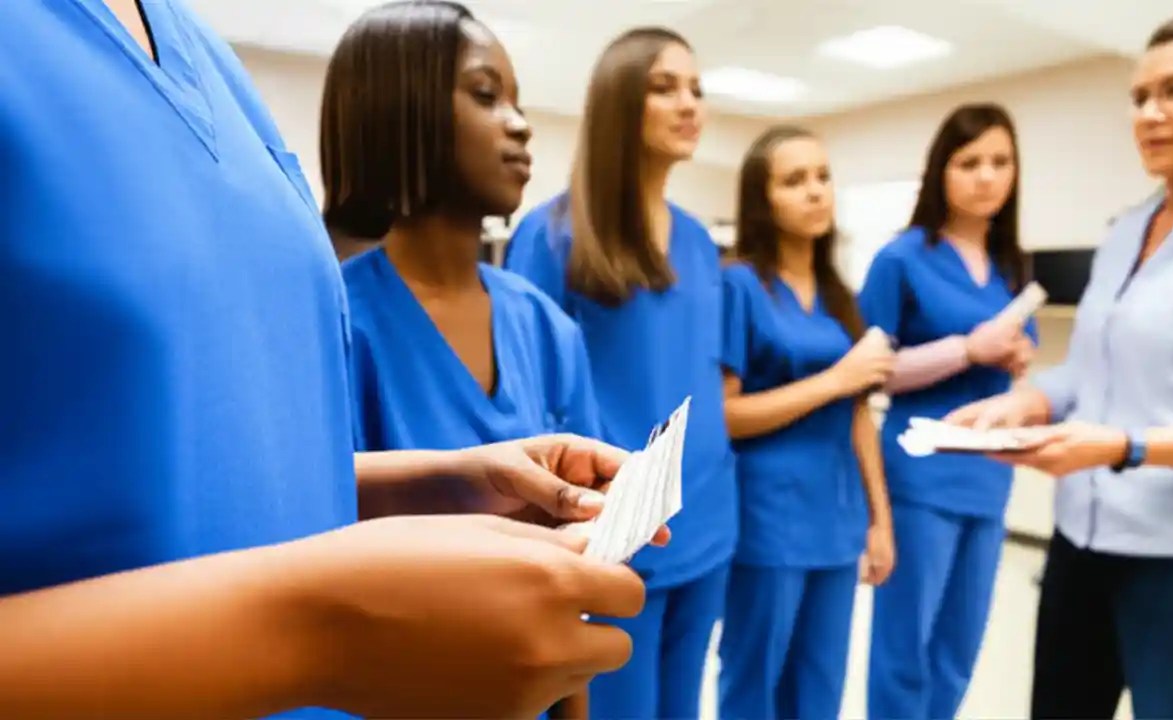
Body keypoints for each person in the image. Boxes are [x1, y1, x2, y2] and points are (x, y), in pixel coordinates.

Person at [0, 2, 657, 718]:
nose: (519, 123)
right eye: (484, 94)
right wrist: (320, 628)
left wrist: (433, 485)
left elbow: (185, 478)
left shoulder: (207, 62)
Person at [949, 10, 1173, 719]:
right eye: (1138, 98)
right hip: (1083, 542)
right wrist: (1031, 402)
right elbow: (1096, 373)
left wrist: (1125, 446)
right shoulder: (1131, 225)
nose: (1150, 114)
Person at [325, 3, 606, 714]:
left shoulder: (545, 326)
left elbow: (579, 565)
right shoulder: (335, 322)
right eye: (486, 96)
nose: (520, 122)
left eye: (516, 99)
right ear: (401, 109)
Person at [504, 26, 736, 720]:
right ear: (618, 102)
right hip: (614, 538)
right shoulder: (551, 236)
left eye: (695, 88)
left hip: (709, 525)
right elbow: (528, 402)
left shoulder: (698, 241)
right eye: (665, 87)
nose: (689, 103)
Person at [858, 103, 1037, 720]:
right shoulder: (901, 259)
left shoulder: (1013, 267)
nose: (986, 177)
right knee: (904, 647)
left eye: (1000, 162)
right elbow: (869, 370)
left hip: (989, 477)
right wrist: (966, 349)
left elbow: (1017, 367)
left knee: (960, 647)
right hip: (919, 476)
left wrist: (1017, 361)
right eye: (969, 163)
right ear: (941, 171)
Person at [715, 125, 896, 720]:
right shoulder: (741, 285)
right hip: (769, 518)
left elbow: (859, 417)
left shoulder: (839, 294)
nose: (816, 192)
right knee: (755, 677)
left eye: (822, 177)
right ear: (762, 200)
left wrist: (880, 520)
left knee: (820, 684)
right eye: (794, 181)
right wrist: (836, 379)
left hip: (836, 517)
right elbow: (726, 415)